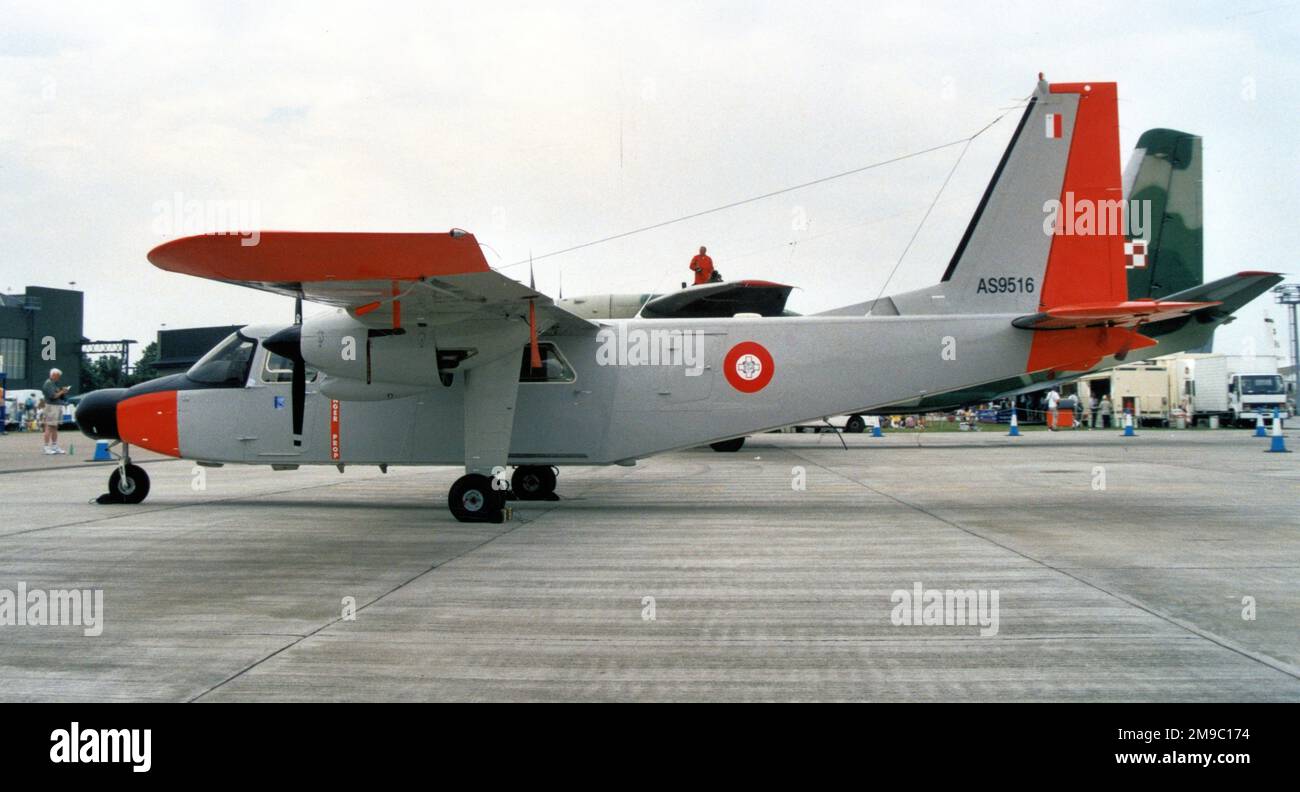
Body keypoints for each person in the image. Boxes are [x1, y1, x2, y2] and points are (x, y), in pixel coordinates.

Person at [42, 368, 70, 455]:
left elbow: (58, 395)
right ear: (53, 375)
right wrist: (62, 391)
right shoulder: (48, 384)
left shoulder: (53, 384)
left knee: (55, 427)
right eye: (58, 376)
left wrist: (62, 391)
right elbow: (53, 396)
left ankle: (54, 445)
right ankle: (46, 446)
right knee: (49, 427)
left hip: (56, 406)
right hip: (51, 407)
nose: (59, 378)